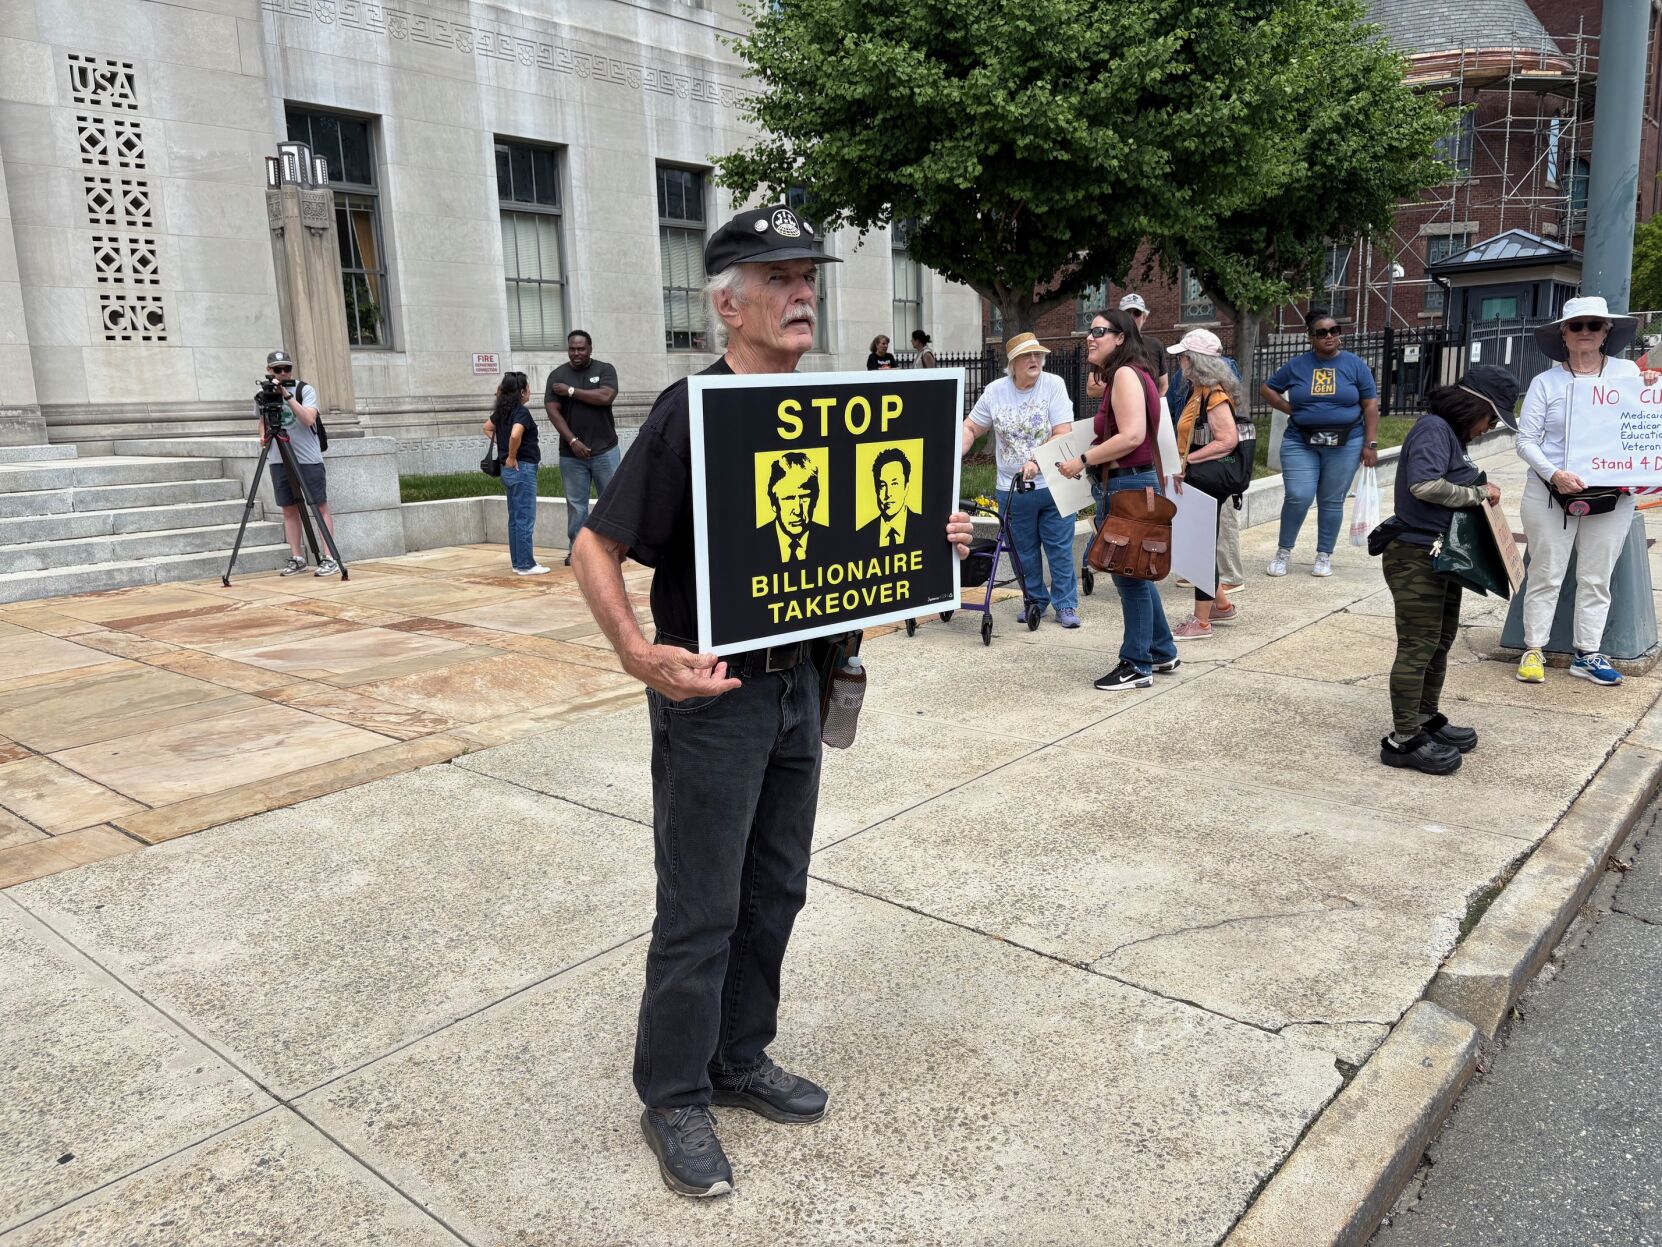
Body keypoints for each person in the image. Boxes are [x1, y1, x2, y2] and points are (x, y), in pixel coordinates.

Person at [571, 203, 973, 1199]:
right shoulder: (690, 410)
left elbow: (853, 544)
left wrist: (933, 540)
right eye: (781, 278)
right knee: (701, 904)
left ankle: (737, 1052)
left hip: (803, 684)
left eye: (809, 277)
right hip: (714, 696)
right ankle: (672, 1092)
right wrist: (638, 652)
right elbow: (596, 544)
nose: (803, 294)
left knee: (776, 888)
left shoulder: (836, 409)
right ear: (728, 302)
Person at [1376, 368, 1518, 774]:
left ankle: (1425, 717)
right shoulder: (1434, 429)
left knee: (1439, 641)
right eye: (1491, 419)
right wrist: (1476, 494)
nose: (1487, 428)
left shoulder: (1449, 435)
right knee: (1418, 644)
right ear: (1475, 405)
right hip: (1415, 554)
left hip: (1442, 555)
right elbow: (1424, 485)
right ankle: (1402, 739)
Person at [1515, 296, 1654, 687]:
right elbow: (1526, 440)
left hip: (1613, 492)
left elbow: (1646, 424)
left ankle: (1588, 652)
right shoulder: (1546, 382)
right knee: (1546, 571)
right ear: (1564, 333)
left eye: (1594, 325)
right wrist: (1554, 473)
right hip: (1551, 492)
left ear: (1607, 331)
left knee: (1597, 575)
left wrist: (1650, 390)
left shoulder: (1628, 373)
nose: (1585, 333)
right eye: (1576, 326)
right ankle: (1534, 647)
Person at [1057, 308, 1178, 686]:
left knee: (1130, 578)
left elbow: (1131, 436)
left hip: (1127, 485)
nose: (1090, 338)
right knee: (1137, 573)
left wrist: (1083, 459)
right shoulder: (1134, 374)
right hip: (1132, 484)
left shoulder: (1125, 374)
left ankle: (1136, 664)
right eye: (1089, 332)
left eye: (1099, 332)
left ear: (1121, 337)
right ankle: (1162, 651)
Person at [960, 332, 1081, 627]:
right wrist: (955, 451)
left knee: (1059, 548)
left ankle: (1066, 605)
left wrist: (1036, 461)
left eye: (1037, 354)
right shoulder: (995, 391)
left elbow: (1063, 431)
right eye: (1026, 356)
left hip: (1054, 482)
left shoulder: (1053, 385)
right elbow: (972, 428)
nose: (1034, 360)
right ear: (1012, 363)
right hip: (1012, 489)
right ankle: (1034, 601)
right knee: (1023, 551)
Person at [1259, 309, 1380, 577]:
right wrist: (1287, 408)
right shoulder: (1297, 365)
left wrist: (1370, 444)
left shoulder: (1355, 365)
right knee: (1298, 496)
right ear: (1310, 337)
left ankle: (1324, 555)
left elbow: (1370, 405)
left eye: (1334, 330)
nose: (1330, 336)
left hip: (1346, 441)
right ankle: (1283, 551)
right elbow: (1268, 388)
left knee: (1331, 500)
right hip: (1300, 440)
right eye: (1322, 332)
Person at [1167, 331, 1248, 640]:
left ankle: (1201, 623)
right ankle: (1221, 606)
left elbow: (1227, 440)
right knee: (1197, 546)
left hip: (1204, 483)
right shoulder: (1200, 391)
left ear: (1195, 361)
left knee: (1199, 549)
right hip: (1199, 481)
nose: (1180, 362)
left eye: (1183, 357)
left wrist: (1188, 460)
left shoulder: (1213, 395)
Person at [259, 348, 338, 578]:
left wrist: (287, 395)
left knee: (319, 505)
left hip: (307, 458)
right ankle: (297, 557)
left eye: (286, 368)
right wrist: (262, 437)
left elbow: (308, 419)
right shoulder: (264, 394)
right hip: (278, 458)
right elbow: (262, 420)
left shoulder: (305, 390)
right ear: (269, 370)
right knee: (288, 508)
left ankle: (329, 557)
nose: (282, 373)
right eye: (277, 369)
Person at [545, 330, 620, 566]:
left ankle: (613, 549)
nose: (576, 353)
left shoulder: (604, 370)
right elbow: (552, 410)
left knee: (611, 501)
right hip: (571, 454)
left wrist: (570, 391)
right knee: (576, 506)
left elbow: (605, 397)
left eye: (581, 348)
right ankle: (577, 551)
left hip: (605, 450)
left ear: (590, 348)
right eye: (572, 349)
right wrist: (573, 441)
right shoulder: (557, 375)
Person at [482, 371, 546, 576]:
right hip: (521, 469)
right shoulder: (521, 412)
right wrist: (511, 455)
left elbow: (487, 427)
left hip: (508, 472)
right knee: (525, 518)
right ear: (521, 391)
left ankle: (518, 562)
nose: (530, 391)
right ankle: (526, 564)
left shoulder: (502, 411)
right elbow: (516, 434)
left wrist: (503, 447)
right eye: (527, 387)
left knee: (515, 519)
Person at [762, 451, 820, 562]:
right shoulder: (752, 543)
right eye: (788, 498)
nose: (797, 510)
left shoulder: (834, 540)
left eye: (804, 497)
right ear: (773, 503)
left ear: (815, 499)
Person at [1119, 293, 1168, 398]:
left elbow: (1164, 386)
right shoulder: (1110, 344)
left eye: (1137, 313)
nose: (1132, 317)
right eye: (1127, 313)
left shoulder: (1156, 345)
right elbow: (1093, 388)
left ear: (1144, 318)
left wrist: (1155, 407)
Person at [865, 448, 912, 549]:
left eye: (894, 484)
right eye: (882, 485)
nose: (888, 494)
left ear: (906, 487)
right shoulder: (862, 535)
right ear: (876, 489)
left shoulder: (928, 526)